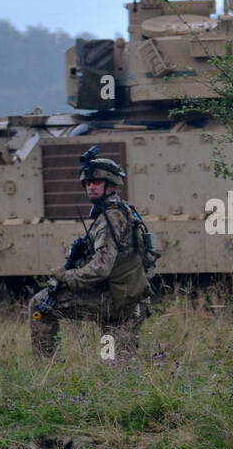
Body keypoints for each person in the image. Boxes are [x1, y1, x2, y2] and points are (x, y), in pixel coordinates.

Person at [28, 155, 151, 362]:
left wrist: (66, 275)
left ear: (111, 185)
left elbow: (101, 268)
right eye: (88, 183)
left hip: (115, 299)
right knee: (115, 363)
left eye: (97, 182)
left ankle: (47, 369)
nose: (91, 186)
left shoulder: (110, 218)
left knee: (40, 305)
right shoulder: (121, 211)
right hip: (130, 297)